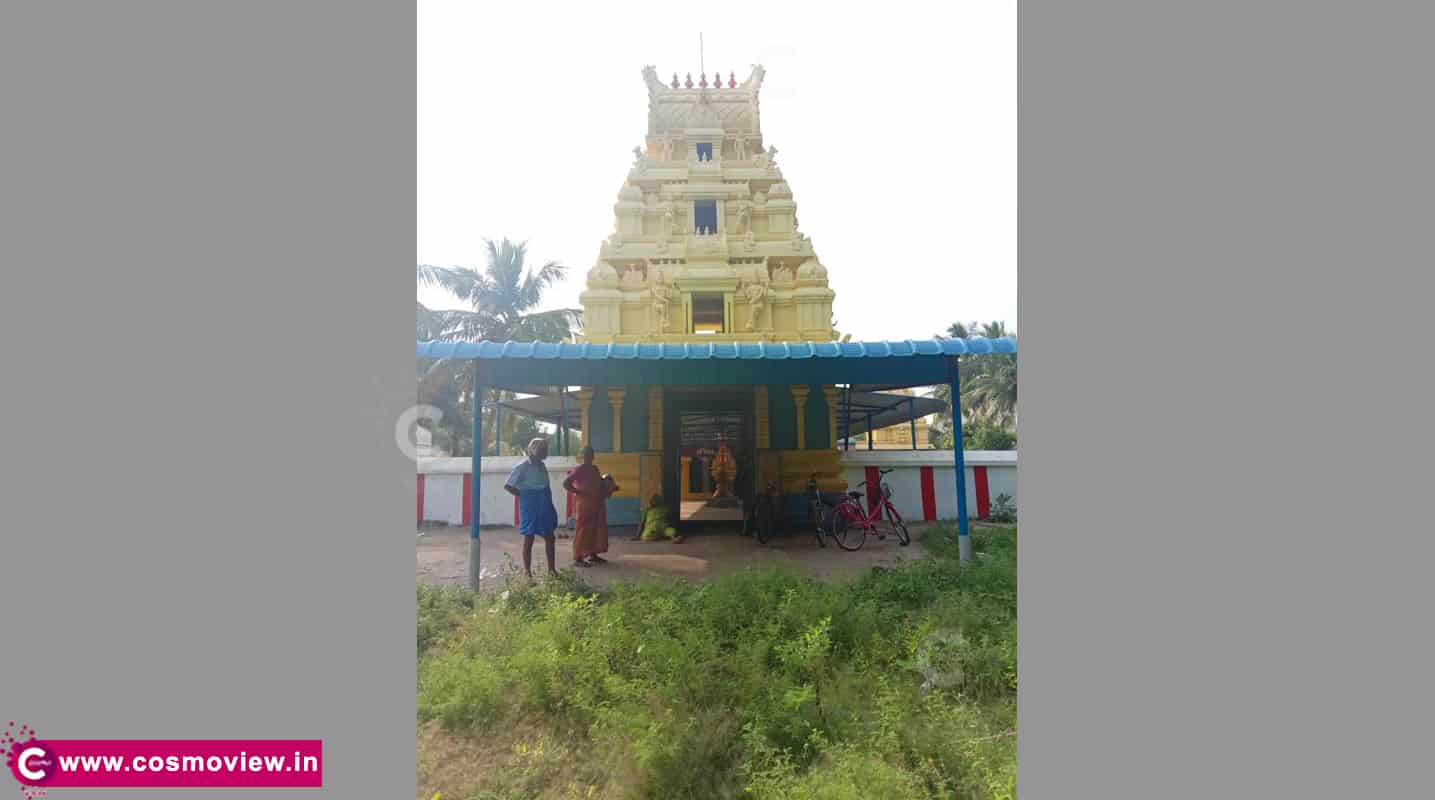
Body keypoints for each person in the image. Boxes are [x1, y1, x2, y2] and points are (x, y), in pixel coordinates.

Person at [504, 438, 558, 578]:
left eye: (545, 449)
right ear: (532, 450)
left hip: (544, 504)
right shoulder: (522, 466)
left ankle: (551, 570)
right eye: (540, 449)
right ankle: (527, 573)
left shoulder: (542, 466)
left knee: (550, 537)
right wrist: (525, 496)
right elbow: (508, 486)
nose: (543, 451)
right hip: (529, 506)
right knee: (529, 538)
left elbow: (546, 486)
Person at [562, 446, 616, 568]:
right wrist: (578, 492)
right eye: (586, 454)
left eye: (590, 454)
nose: (589, 456)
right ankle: (578, 557)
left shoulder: (595, 469)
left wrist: (610, 486)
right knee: (583, 530)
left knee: (596, 529)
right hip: (585, 504)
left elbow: (599, 484)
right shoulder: (579, 469)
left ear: (593, 456)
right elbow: (566, 483)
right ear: (582, 456)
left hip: (597, 503)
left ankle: (593, 554)